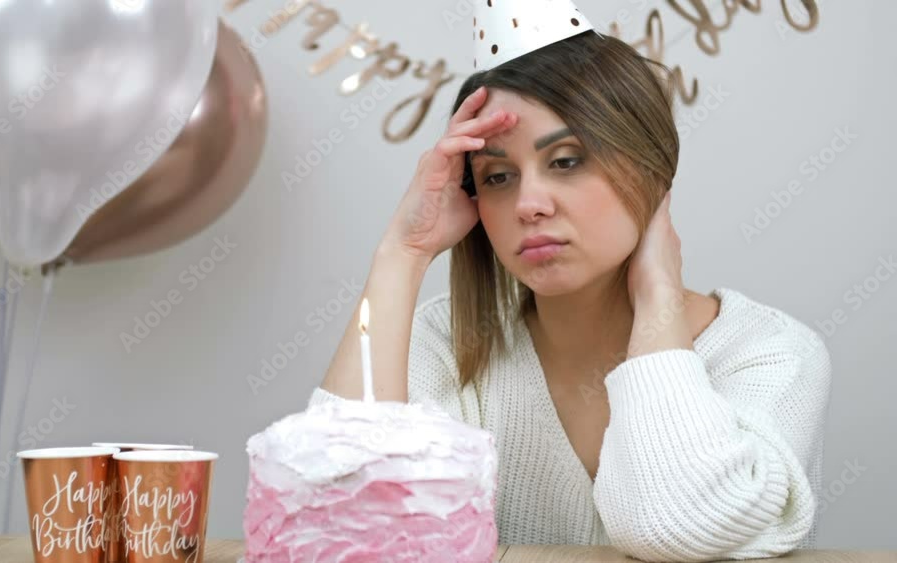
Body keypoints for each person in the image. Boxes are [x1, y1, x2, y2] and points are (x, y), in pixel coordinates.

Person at [309, 29, 831, 563]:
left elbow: (672, 526)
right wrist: (403, 253)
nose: (528, 204)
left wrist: (658, 297)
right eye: (498, 175)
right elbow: (334, 517)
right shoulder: (443, 342)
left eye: (565, 160)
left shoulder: (770, 353)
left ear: (651, 170)